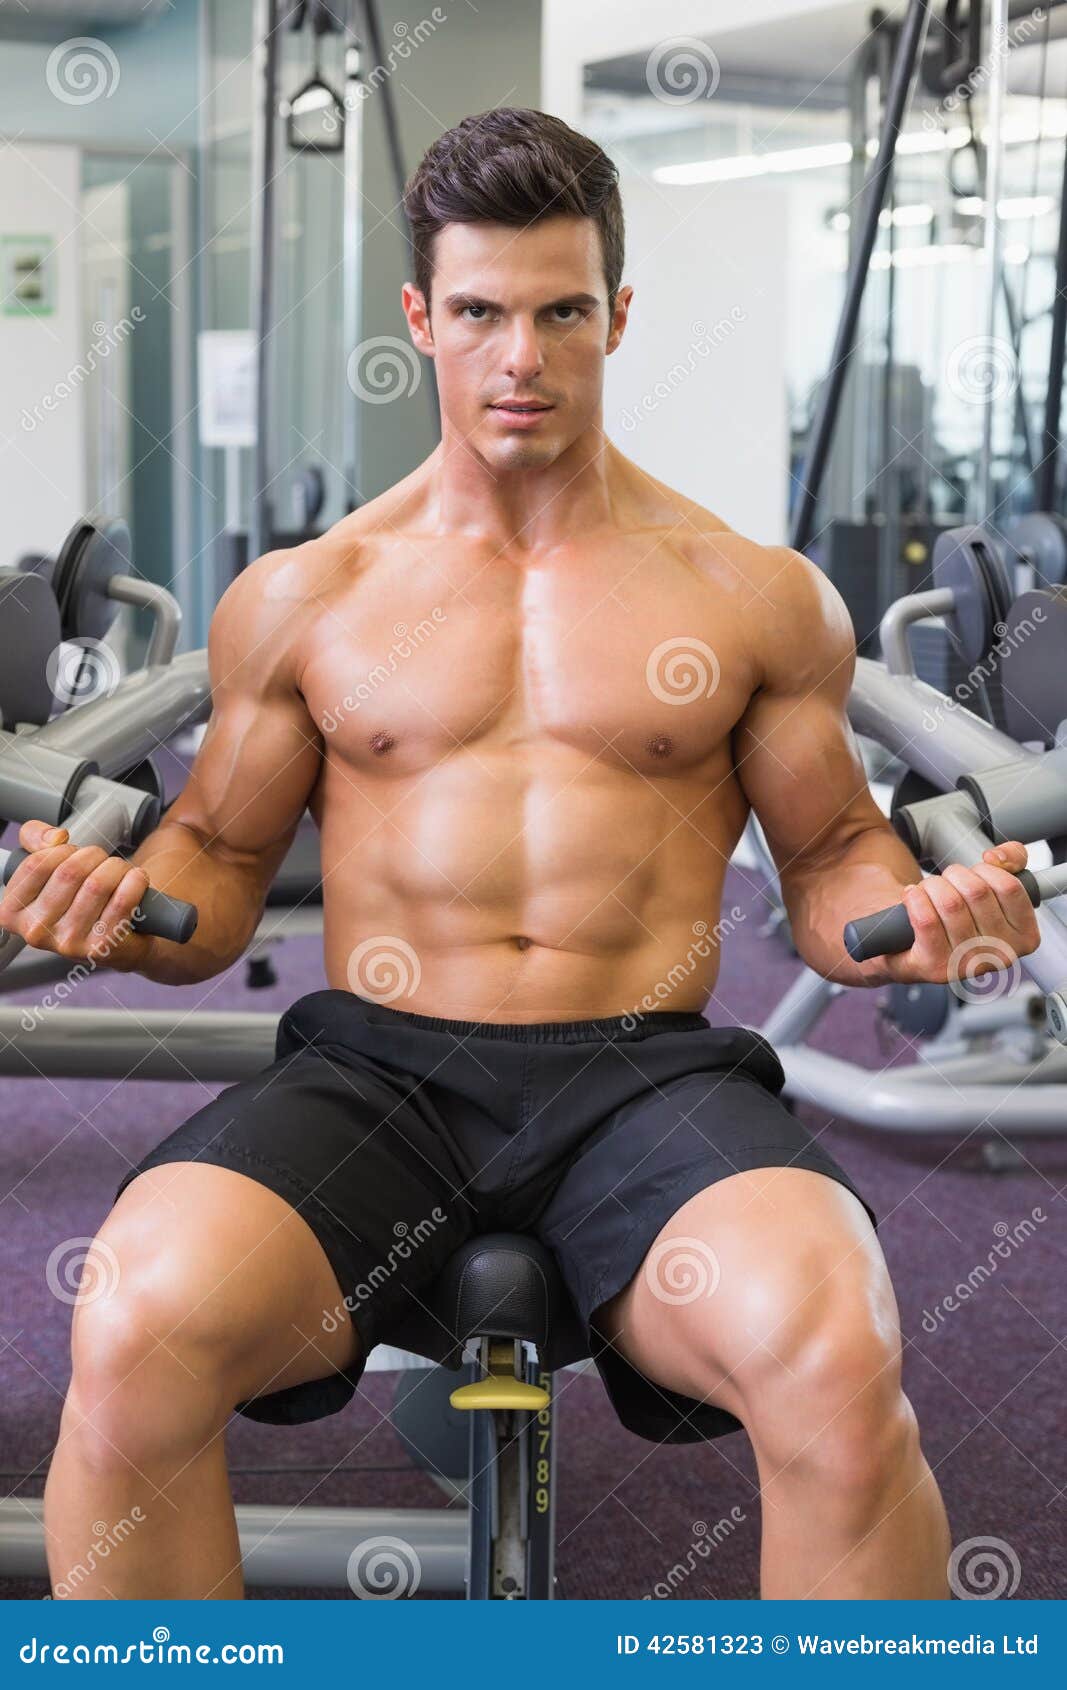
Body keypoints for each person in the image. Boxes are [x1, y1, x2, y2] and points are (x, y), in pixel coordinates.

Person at [1, 108, 1040, 1601]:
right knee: (131, 1325)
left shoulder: (750, 594)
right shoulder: (307, 597)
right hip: (374, 1077)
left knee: (838, 1345)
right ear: (421, 317)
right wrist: (119, 912)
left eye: (562, 313)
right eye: (480, 313)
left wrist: (927, 915)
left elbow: (829, 866)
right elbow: (218, 868)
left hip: (646, 1078)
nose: (521, 360)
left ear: (616, 314)